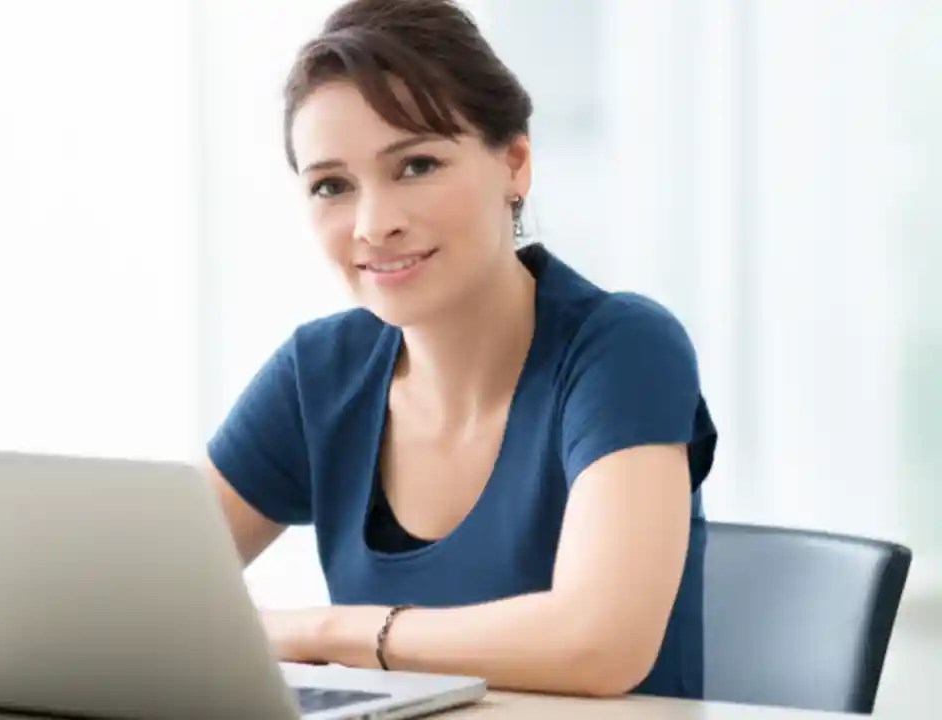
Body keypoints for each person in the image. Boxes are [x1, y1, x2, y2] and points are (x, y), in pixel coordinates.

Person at [205, 0, 717, 700]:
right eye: (332, 185)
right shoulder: (317, 375)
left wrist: (327, 634)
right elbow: (141, 593)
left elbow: (601, 643)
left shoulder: (622, 350)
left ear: (515, 162)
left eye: (416, 165)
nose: (374, 224)